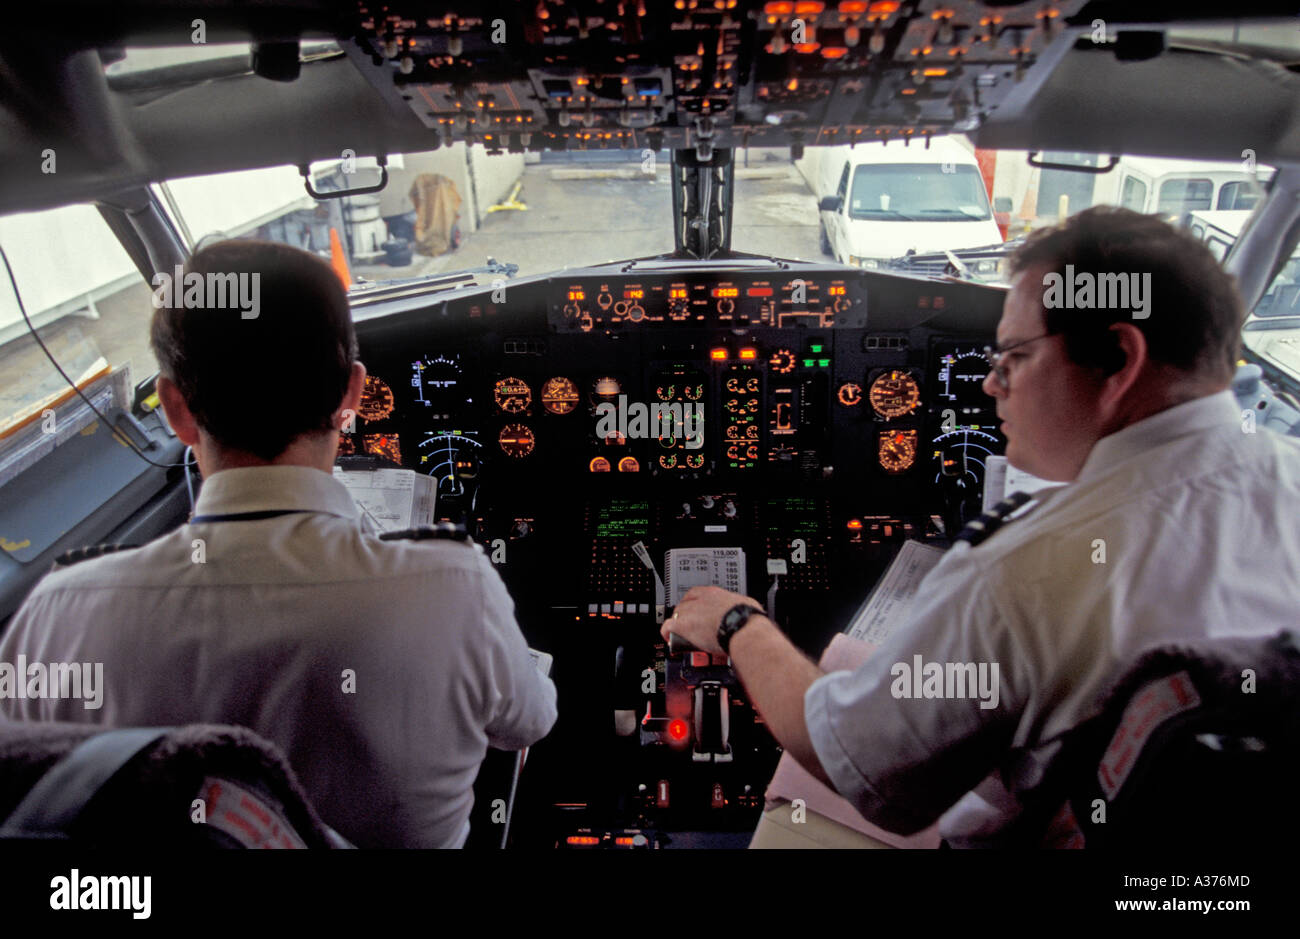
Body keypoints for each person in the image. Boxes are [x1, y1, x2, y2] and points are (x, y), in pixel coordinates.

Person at [664, 207, 1300, 846]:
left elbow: (861, 765)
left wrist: (738, 623)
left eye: (1014, 357)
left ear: (1120, 359)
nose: (993, 385)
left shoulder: (1033, 565)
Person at [0, 240, 557, 848]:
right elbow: (531, 722)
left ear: (176, 409)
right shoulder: (454, 589)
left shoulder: (57, 615)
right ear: (351, 395)